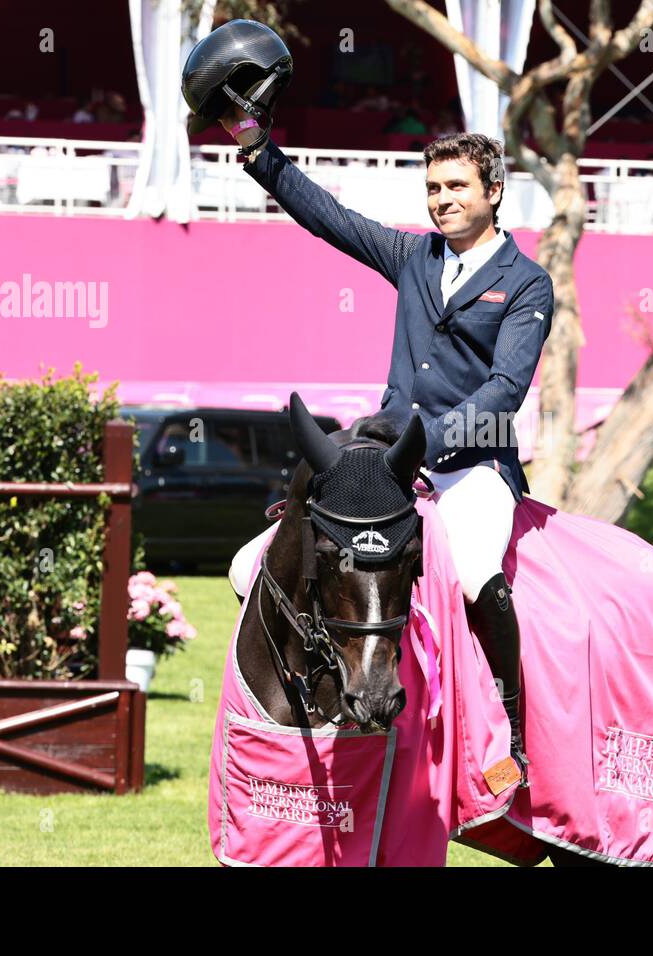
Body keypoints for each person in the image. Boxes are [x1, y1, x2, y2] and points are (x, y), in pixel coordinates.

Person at [222, 110, 554, 785]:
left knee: (474, 572)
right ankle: (329, 695)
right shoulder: (413, 257)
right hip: (388, 460)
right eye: (433, 188)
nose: (442, 199)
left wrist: (419, 446)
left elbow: (503, 390)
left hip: (474, 463)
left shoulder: (527, 283)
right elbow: (331, 218)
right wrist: (257, 147)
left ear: (493, 192)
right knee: (245, 567)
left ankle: (511, 735)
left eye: (456, 186)